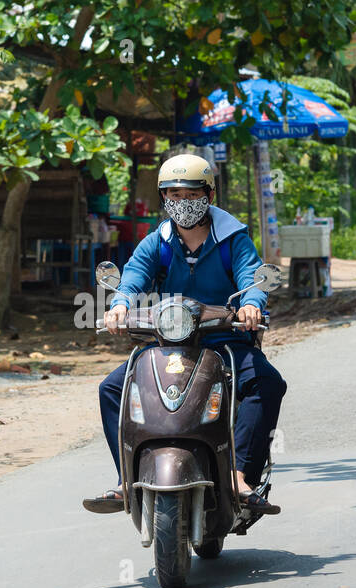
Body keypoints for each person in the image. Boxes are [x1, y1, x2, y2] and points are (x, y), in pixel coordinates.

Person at [84, 153, 286, 515]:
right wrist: (120, 306)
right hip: (170, 344)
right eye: (174, 195)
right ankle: (127, 478)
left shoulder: (233, 239)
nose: (183, 203)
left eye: (192, 195)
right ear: (164, 198)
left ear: (209, 194)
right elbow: (133, 277)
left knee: (267, 384)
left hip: (225, 340)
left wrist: (252, 304)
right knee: (113, 388)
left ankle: (241, 476)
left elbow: (251, 277)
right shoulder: (157, 243)